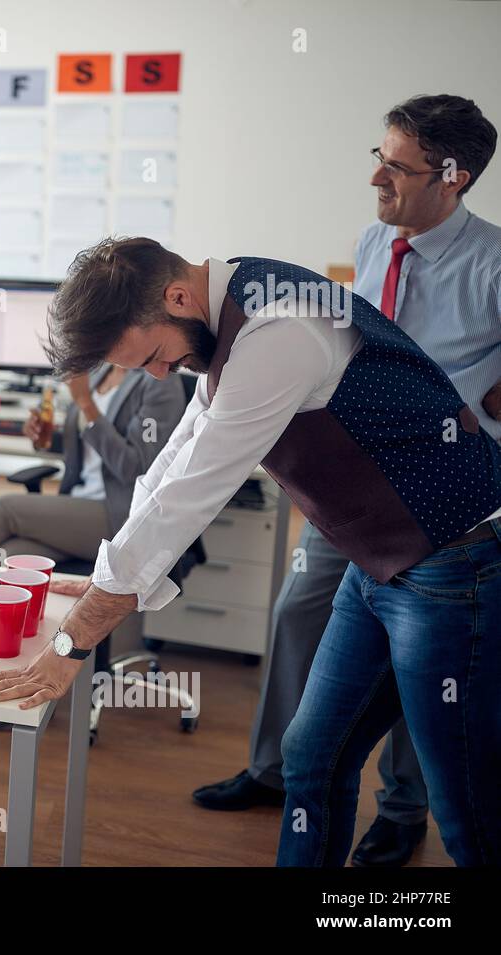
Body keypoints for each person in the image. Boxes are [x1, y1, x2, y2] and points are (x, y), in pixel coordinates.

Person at [0, 236, 501, 867]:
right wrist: (106, 574)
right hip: (381, 563)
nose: (160, 374)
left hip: (455, 561)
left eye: (155, 358)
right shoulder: (222, 315)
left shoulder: (277, 332)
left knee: (465, 805)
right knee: (312, 758)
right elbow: (170, 470)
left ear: (176, 298)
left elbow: (191, 497)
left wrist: (72, 643)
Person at [192, 94, 501, 867]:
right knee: (300, 612)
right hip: (358, 496)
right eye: (379, 156)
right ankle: (277, 770)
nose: (377, 178)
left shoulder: (494, 264)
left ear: (454, 177)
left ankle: (402, 812)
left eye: (397, 166)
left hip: (442, 509)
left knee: (422, 670)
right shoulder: (374, 242)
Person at [0, 366, 184, 563]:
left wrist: (86, 403)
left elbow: (135, 469)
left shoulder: (159, 382)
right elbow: (85, 443)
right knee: (5, 556)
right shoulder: (100, 370)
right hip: (78, 500)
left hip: (119, 515)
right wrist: (43, 438)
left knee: (2, 510)